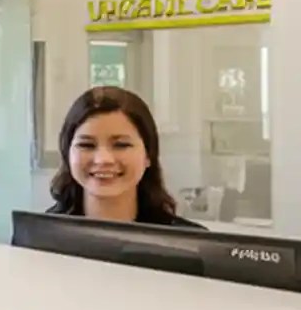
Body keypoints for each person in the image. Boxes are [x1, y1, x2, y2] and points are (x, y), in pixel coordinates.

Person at [48, 86, 204, 228]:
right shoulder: (40, 236)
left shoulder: (191, 242)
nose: (103, 159)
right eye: (87, 145)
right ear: (67, 154)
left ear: (148, 155)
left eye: (121, 145)